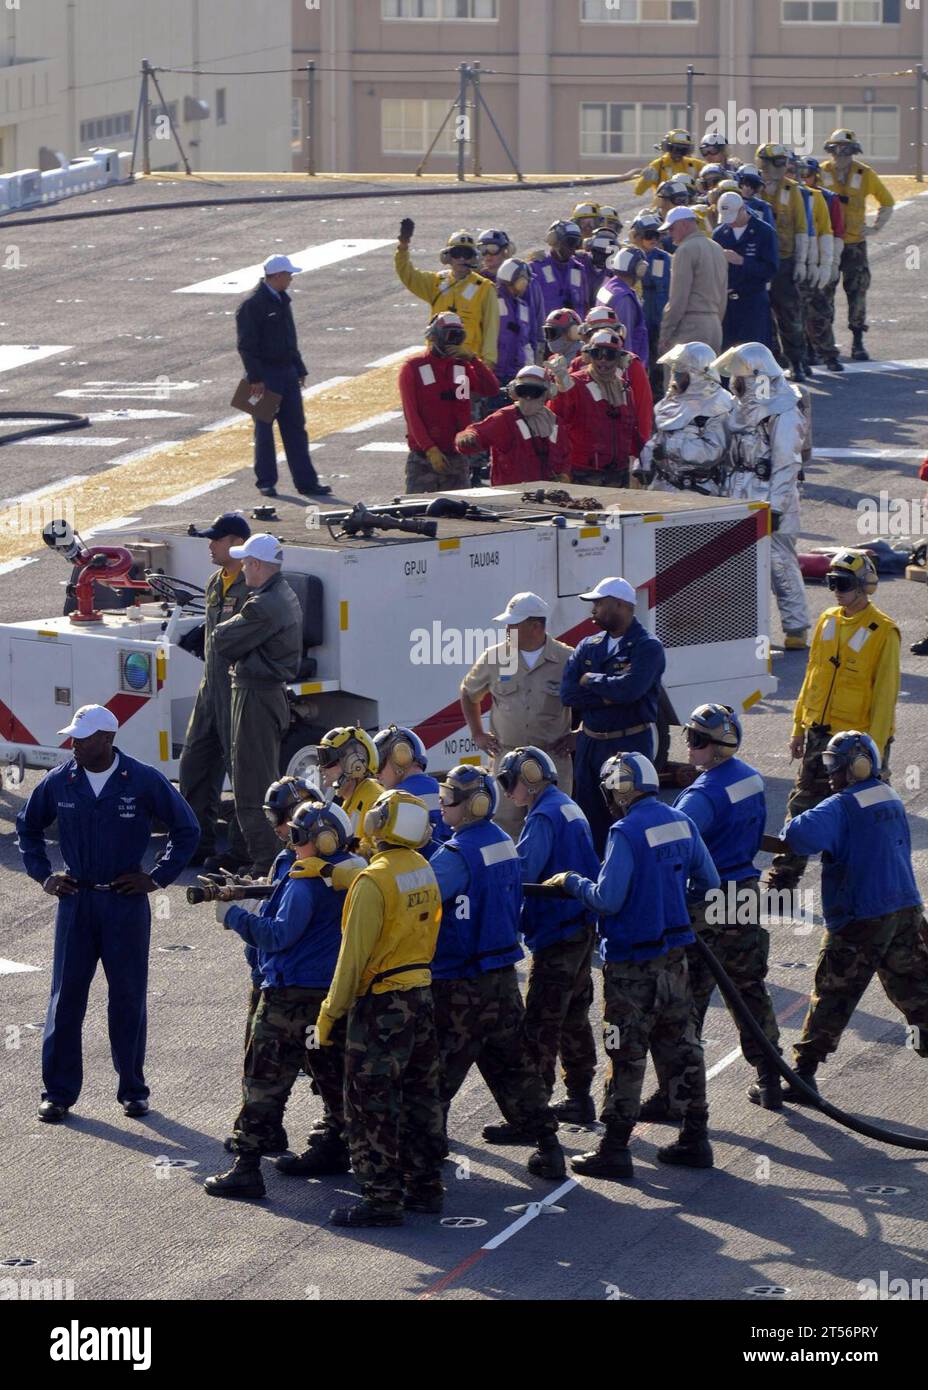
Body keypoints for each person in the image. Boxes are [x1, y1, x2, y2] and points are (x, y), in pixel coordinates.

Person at [16, 704, 199, 1123]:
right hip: (76, 903)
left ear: (107, 740)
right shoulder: (61, 781)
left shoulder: (142, 779)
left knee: (128, 998)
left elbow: (186, 828)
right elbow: (28, 827)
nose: (74, 744)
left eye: (82, 737)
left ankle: (133, 1090)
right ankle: (58, 1093)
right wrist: (43, 876)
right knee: (65, 1000)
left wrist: (157, 878)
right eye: (73, 737)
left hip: (124, 905)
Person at [546, 752, 719, 1180]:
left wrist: (571, 882)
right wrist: (672, 909)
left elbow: (608, 899)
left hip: (630, 968)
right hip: (675, 961)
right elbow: (709, 883)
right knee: (683, 1048)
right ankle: (696, 1138)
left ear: (620, 788)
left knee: (625, 1054)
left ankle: (614, 1148)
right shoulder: (681, 821)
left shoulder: (625, 831)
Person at [204, 800, 365, 1199]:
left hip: (289, 998)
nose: (291, 844)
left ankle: (246, 1166)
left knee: (263, 1082)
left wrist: (235, 915)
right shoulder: (351, 874)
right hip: (331, 998)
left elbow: (278, 935)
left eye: (298, 836)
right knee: (334, 1080)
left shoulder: (306, 882)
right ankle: (345, 1151)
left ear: (321, 839)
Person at [641, 705, 782, 1122]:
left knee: (684, 1002)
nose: (688, 745)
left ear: (716, 746)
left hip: (706, 902)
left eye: (696, 740)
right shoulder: (750, 779)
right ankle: (771, 1079)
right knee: (748, 990)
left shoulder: (701, 795)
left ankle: (674, 1094)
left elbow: (674, 846)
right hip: (744, 894)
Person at [773, 731, 928, 1104]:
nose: (829, 774)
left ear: (855, 767)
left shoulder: (841, 806)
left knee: (832, 995)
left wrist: (803, 805)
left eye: (833, 765)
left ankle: (804, 1074)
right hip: (906, 911)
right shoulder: (889, 795)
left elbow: (798, 836)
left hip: (861, 917)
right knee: (920, 996)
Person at [427, 766, 566, 1179]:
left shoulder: (455, 856)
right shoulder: (503, 842)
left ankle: (426, 1160)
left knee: (434, 1076)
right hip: (502, 980)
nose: (442, 804)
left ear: (473, 805)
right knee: (517, 1069)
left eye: (450, 798)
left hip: (458, 984)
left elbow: (420, 899)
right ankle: (549, 1148)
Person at [315, 790, 446, 1226]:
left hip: (382, 1005)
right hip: (421, 997)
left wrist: (330, 1014)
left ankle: (382, 1198)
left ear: (377, 824)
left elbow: (351, 961)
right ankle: (425, 1186)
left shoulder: (373, 882)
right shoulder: (423, 869)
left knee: (370, 1102)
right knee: (420, 1097)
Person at [768, 549, 900, 893]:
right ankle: (783, 879)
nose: (836, 591)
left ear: (861, 586)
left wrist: (875, 754)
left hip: (856, 746)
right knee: (800, 806)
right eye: (831, 584)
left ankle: (861, 883)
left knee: (858, 816)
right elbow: (812, 677)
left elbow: (885, 697)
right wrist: (799, 727)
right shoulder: (827, 620)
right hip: (818, 735)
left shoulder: (884, 632)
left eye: (842, 584)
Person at [489, 747, 601, 1130]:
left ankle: (533, 1117)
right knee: (573, 1017)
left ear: (530, 777)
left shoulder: (542, 817)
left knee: (540, 1024)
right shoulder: (566, 805)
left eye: (508, 782)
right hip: (580, 928)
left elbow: (523, 872)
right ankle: (580, 1097)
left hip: (557, 933)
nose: (506, 792)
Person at [221, 773, 323, 1157]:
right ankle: (272, 1132)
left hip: (289, 983)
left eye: (278, 819)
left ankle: (258, 1139)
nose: (277, 829)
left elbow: (281, 931)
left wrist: (237, 916)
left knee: (272, 1067)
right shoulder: (294, 858)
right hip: (274, 975)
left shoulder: (307, 866)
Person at [211, 533, 303, 876]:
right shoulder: (278, 593)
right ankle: (263, 856)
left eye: (246, 562)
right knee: (260, 777)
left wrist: (228, 634)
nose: (242, 568)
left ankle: (267, 865)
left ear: (259, 565)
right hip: (263, 693)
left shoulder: (263, 604)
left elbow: (222, 638)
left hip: (256, 695)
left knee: (252, 784)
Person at [714, 342, 810, 650]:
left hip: (772, 496)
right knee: (742, 564)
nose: (736, 382)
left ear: (758, 376)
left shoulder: (783, 410)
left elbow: (787, 463)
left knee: (779, 561)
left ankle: (796, 627)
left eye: (741, 377)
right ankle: (746, 628)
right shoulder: (743, 409)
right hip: (742, 492)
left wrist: (777, 507)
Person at [560, 577, 666, 856]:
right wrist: (610, 692)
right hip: (590, 745)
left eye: (599, 603)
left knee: (628, 818)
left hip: (629, 746)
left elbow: (631, 689)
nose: (593, 610)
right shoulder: (588, 645)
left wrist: (591, 679)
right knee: (590, 817)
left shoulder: (647, 646)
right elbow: (568, 694)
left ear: (620, 605)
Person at [460, 591, 574, 839]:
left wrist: (578, 734)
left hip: (553, 762)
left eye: (513, 625)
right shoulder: (495, 658)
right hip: (507, 761)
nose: (507, 630)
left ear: (535, 626)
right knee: (505, 826)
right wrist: (477, 733)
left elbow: (591, 700)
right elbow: (469, 693)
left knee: (555, 825)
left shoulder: (567, 659)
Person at [178, 511, 251, 871]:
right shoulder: (214, 582)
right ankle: (196, 843)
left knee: (242, 774)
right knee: (193, 766)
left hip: (238, 689)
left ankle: (241, 850)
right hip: (210, 688)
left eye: (216, 539)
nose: (210, 544)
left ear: (236, 543)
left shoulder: (252, 585)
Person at [235, 254, 331, 499]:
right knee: (264, 432)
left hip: (286, 373)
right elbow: (246, 346)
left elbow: (290, 338)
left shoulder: (281, 300)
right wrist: (255, 378)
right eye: (288, 275)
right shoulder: (252, 305)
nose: (291, 279)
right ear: (276, 276)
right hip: (263, 377)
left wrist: (299, 368)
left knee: (296, 429)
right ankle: (266, 482)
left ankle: (307, 482)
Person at [398, 311, 499, 494]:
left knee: (457, 516)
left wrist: (473, 359)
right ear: (435, 337)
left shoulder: (461, 367)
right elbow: (412, 416)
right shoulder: (413, 367)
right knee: (417, 512)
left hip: (456, 459)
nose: (453, 342)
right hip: (423, 460)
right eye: (449, 335)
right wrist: (430, 449)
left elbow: (491, 389)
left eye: (457, 336)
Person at [820, 128, 895, 362]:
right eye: (837, 149)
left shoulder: (865, 174)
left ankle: (858, 343)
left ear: (854, 151)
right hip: (829, 244)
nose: (841, 154)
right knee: (824, 293)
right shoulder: (821, 172)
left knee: (857, 293)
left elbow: (887, 201)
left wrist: (874, 228)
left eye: (846, 149)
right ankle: (825, 344)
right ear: (831, 150)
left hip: (854, 244)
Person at [548, 328, 647, 489]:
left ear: (619, 358)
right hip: (582, 475)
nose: (603, 361)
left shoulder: (624, 388)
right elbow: (555, 421)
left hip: (618, 477)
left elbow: (631, 430)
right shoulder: (574, 384)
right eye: (596, 354)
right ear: (588, 356)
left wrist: (645, 458)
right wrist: (562, 391)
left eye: (609, 355)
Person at [394, 220, 499, 366]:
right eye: (457, 253)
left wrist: (487, 363)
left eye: (467, 254)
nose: (462, 258)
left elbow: (491, 329)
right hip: (437, 362)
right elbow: (407, 275)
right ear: (447, 256)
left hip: (467, 363)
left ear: (473, 257)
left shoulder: (485, 288)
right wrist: (403, 247)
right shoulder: (435, 283)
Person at [637, 341, 733, 495]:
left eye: (680, 373)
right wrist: (643, 463)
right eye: (674, 371)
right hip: (663, 486)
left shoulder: (717, 405)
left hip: (698, 491)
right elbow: (659, 438)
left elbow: (712, 451)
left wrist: (670, 448)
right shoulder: (674, 399)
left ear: (697, 375)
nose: (674, 377)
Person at [454, 364, 572, 487]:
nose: (528, 397)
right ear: (514, 392)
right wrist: (468, 438)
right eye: (523, 391)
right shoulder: (505, 418)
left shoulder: (553, 421)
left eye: (535, 392)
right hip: (510, 495)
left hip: (547, 494)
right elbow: (477, 435)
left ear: (548, 393)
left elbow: (565, 453)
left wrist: (564, 474)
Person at [755, 143, 810, 382]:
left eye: (782, 162)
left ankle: (797, 361)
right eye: (775, 162)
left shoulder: (792, 189)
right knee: (760, 316)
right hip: (757, 263)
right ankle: (772, 363)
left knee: (789, 314)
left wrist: (802, 262)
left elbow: (801, 227)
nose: (780, 168)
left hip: (785, 261)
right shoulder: (751, 186)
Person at [712, 190, 779, 351]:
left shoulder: (764, 232)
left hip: (753, 301)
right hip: (728, 303)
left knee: (754, 353)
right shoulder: (720, 234)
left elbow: (770, 269)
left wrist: (742, 261)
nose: (730, 223)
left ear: (743, 210)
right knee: (727, 353)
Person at [657, 207, 729, 358]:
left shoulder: (685, 250)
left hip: (690, 327)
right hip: (715, 326)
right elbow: (723, 296)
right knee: (708, 380)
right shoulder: (717, 248)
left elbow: (678, 299)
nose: (670, 234)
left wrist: (665, 334)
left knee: (679, 380)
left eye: (672, 229)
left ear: (684, 224)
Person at [798, 157, 845, 373]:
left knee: (821, 312)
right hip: (796, 261)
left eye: (806, 173)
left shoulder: (825, 198)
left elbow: (834, 232)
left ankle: (828, 354)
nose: (803, 178)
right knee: (793, 314)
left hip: (818, 261)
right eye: (799, 173)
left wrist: (832, 263)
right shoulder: (789, 195)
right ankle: (803, 354)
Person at [373, 724, 449, 858]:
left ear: (400, 757)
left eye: (379, 765)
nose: (376, 774)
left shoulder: (393, 800)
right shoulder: (442, 789)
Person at [316, 726, 385, 860]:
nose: (320, 768)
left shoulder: (374, 799)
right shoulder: (352, 798)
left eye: (326, 759)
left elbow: (381, 855)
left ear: (354, 763)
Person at [630, 211, 673, 397]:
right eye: (649, 236)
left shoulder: (665, 258)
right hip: (639, 320)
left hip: (659, 318)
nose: (653, 239)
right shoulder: (628, 258)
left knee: (659, 361)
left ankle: (656, 394)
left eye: (657, 235)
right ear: (637, 237)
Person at [595, 246, 651, 367]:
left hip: (602, 356)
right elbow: (626, 338)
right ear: (639, 268)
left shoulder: (608, 287)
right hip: (624, 364)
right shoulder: (624, 298)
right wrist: (627, 369)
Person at [493, 258, 541, 390]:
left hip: (516, 374)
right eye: (525, 280)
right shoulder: (492, 301)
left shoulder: (523, 307)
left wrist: (531, 368)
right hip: (495, 372)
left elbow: (527, 342)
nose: (527, 285)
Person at [531, 221, 589, 319]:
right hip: (549, 330)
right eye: (570, 242)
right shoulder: (536, 268)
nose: (573, 249)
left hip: (574, 331)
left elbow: (584, 306)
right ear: (554, 241)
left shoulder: (578, 269)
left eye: (577, 243)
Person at [634, 129, 704, 200]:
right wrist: (645, 179)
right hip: (665, 206)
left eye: (683, 150)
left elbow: (712, 169)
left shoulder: (695, 164)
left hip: (690, 206)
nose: (678, 153)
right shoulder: (657, 165)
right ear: (667, 147)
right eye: (675, 148)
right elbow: (638, 191)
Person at [733, 164, 777, 230]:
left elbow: (771, 232)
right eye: (746, 183)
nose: (749, 188)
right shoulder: (730, 201)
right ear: (739, 182)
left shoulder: (763, 207)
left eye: (753, 185)